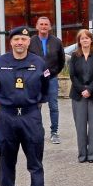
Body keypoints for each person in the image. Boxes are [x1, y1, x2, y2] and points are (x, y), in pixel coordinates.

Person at [0, 27, 51, 186]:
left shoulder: (39, 63)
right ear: (11, 42)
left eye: (23, 39)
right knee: (6, 163)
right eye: (16, 39)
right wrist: (9, 108)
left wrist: (28, 107)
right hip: (7, 119)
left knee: (35, 163)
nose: (20, 43)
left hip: (31, 117)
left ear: (28, 42)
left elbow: (45, 90)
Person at [68, 29, 93, 163]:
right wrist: (82, 90)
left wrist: (89, 90)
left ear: (91, 40)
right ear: (79, 41)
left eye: (87, 38)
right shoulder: (74, 56)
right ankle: (82, 154)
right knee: (80, 126)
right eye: (82, 38)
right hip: (78, 95)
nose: (85, 40)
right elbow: (72, 75)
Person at [28, 16, 65, 144]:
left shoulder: (56, 42)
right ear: (37, 26)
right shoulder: (30, 41)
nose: (44, 26)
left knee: (53, 106)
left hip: (51, 79)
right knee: (36, 106)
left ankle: (54, 132)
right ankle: (36, 131)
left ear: (50, 27)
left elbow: (61, 61)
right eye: (41, 24)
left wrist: (53, 73)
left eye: (46, 24)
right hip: (35, 80)